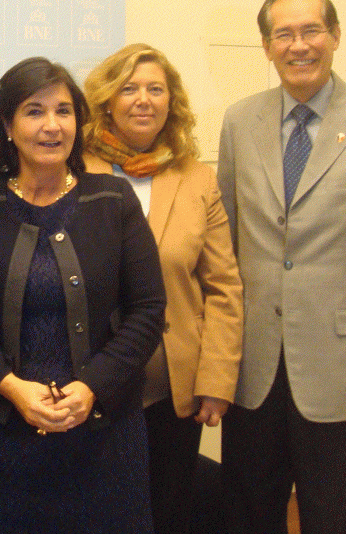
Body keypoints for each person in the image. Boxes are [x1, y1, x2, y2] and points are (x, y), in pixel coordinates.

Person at [218, 0, 346, 534]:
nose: (299, 45)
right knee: (247, 510)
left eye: (311, 30)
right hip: (253, 361)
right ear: (265, 46)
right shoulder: (240, 121)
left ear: (335, 37)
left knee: (334, 514)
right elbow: (226, 248)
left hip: (345, 365)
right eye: (283, 34)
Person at [0, 56, 166, 534]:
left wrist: (92, 387)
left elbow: (147, 309)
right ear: (7, 124)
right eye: (34, 111)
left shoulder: (113, 199)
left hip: (104, 436)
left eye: (64, 111)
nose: (51, 126)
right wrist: (13, 387)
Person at [83, 43, 243, 534]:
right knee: (96, 512)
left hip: (174, 388)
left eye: (156, 89)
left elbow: (224, 288)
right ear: (107, 100)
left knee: (166, 512)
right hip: (90, 380)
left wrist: (216, 382)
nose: (143, 100)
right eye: (129, 88)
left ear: (172, 101)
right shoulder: (71, 173)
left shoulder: (197, 180)